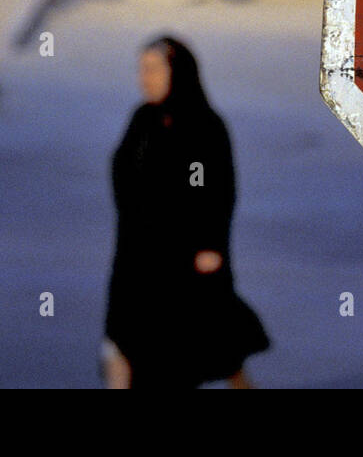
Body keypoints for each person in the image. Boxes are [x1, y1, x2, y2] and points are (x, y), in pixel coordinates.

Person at [101, 35, 270, 387]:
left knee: (210, 349)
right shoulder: (142, 119)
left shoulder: (204, 126)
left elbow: (218, 193)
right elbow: (124, 173)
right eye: (141, 69)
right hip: (136, 257)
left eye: (152, 69)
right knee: (123, 345)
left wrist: (210, 244)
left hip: (188, 259)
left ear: (176, 72)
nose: (143, 78)